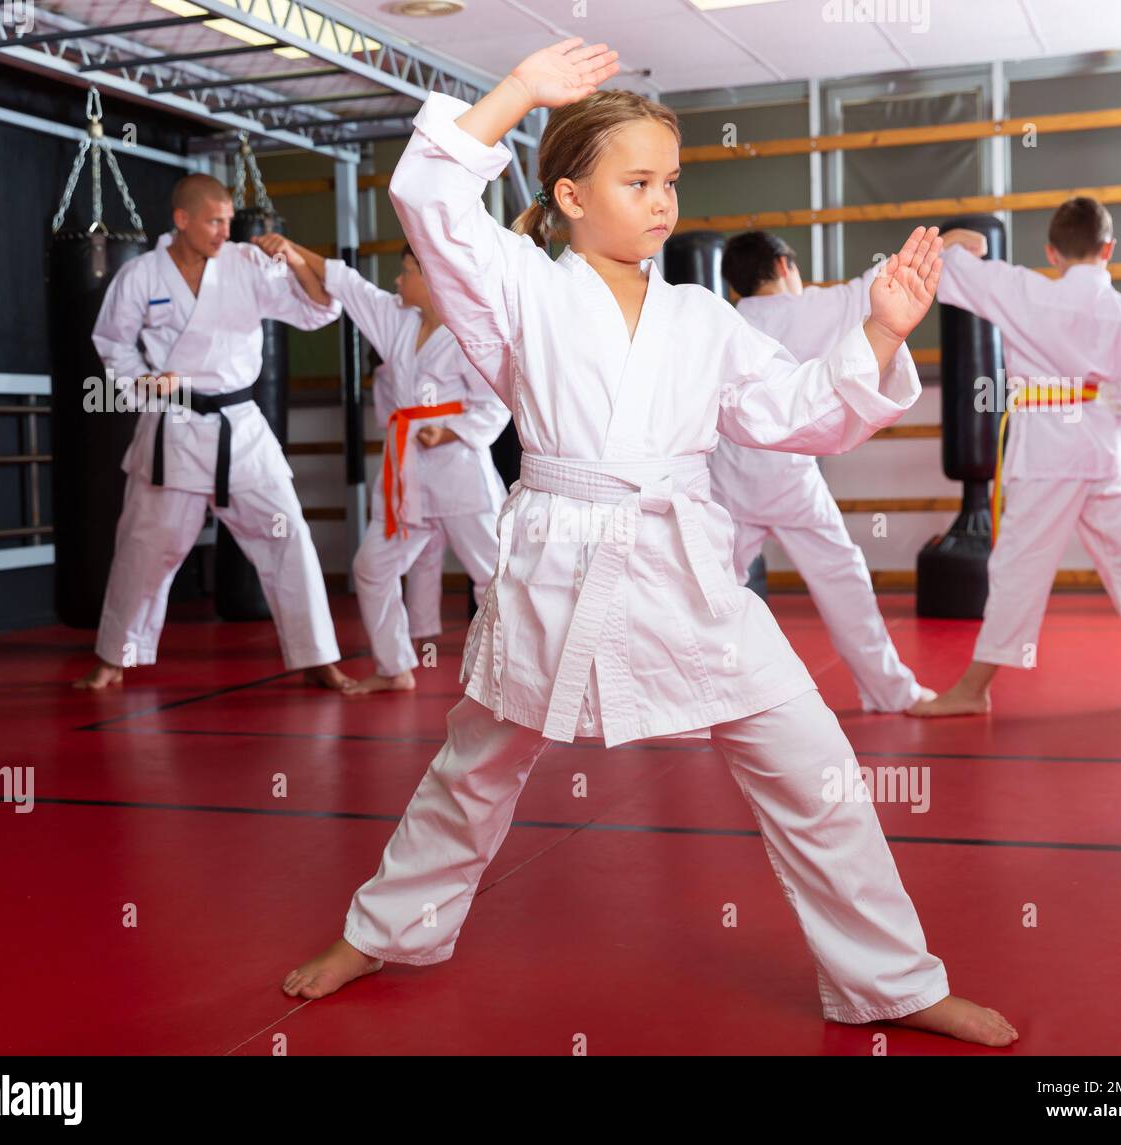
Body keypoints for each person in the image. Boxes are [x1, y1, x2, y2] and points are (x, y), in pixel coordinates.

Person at [283, 39, 1017, 1047]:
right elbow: (431, 200)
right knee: (476, 768)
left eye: (671, 181)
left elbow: (793, 409)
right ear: (571, 196)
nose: (663, 202)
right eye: (638, 182)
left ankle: (890, 980)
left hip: (686, 569)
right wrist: (519, 93)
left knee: (815, 765)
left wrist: (882, 334)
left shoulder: (696, 317)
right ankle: (384, 929)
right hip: (558, 557)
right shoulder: (518, 288)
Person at [912, 198, 1121, 716]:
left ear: (1052, 252)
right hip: (1100, 451)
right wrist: (1113, 432)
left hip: (1047, 453)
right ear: (1108, 249)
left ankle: (974, 690)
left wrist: (963, 241)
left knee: (1017, 571)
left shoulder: (1024, 290)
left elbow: (952, 266)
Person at [74, 174, 354, 691]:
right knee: (144, 546)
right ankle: (116, 655)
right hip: (172, 429)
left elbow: (318, 311)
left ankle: (318, 655)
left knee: (287, 533)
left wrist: (293, 257)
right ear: (182, 220)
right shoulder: (140, 275)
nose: (226, 230)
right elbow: (111, 342)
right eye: (214, 220)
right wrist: (143, 382)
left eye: (229, 219)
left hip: (240, 430)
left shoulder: (246, 265)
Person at [253, 235, 510, 695]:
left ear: (431, 279)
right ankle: (395, 667)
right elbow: (347, 284)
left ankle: (517, 672)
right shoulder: (398, 321)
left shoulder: (471, 333)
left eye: (407, 271)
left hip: (459, 472)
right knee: (372, 568)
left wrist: (449, 430)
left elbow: (497, 401)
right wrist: (294, 251)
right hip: (406, 473)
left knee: (494, 573)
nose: (398, 279)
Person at [713, 230, 949, 714]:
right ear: (783, 266)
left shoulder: (728, 320)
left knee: (715, 592)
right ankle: (891, 692)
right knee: (844, 580)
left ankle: (699, 698)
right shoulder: (808, 308)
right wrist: (954, 237)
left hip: (728, 477)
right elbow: (874, 287)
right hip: (790, 479)